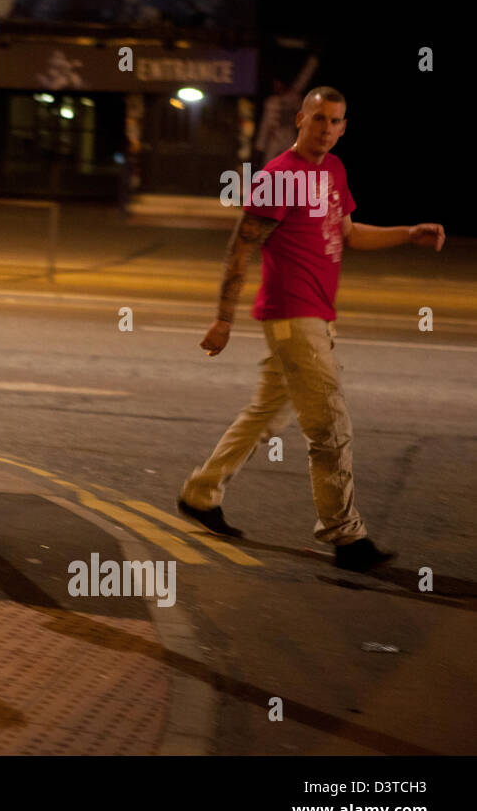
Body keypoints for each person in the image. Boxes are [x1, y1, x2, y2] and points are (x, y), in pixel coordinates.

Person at [178, 87, 446, 572]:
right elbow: (241, 247)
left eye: (336, 121)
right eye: (318, 118)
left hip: (316, 315)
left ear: (344, 127)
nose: (326, 128)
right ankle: (346, 536)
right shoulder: (279, 176)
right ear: (300, 119)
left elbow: (348, 234)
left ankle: (200, 493)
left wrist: (409, 233)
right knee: (330, 428)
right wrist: (223, 319)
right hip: (291, 317)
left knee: (265, 413)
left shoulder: (334, 171)